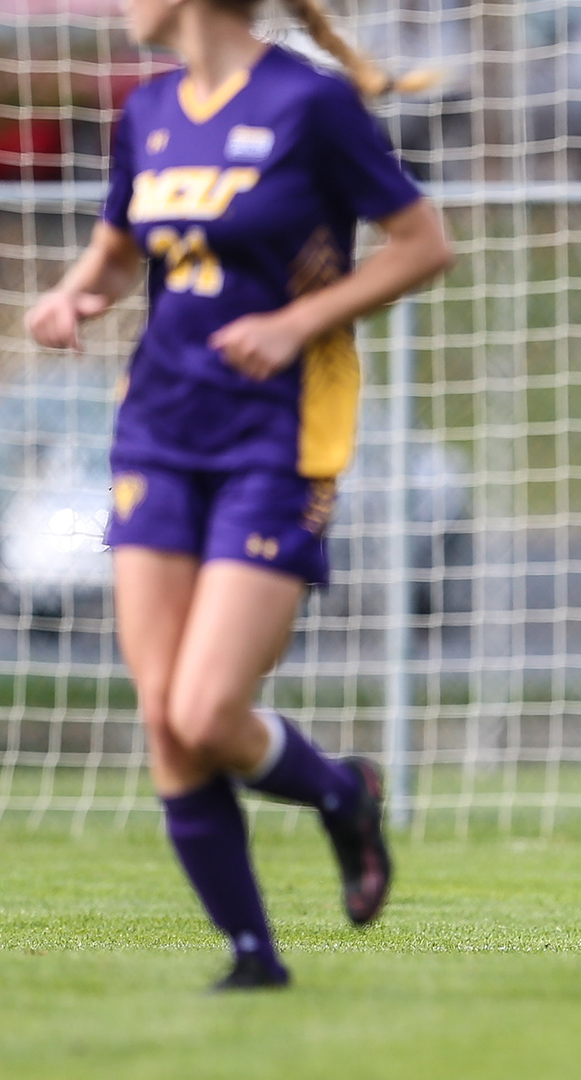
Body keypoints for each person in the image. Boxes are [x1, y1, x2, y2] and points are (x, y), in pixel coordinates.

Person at [25, 0, 453, 989]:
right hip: (158, 433)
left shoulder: (310, 103)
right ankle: (255, 958)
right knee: (164, 716)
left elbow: (424, 244)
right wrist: (74, 292)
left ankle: (345, 795)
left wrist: (298, 323)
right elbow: (122, 246)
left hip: (278, 440)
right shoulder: (147, 111)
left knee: (210, 709)